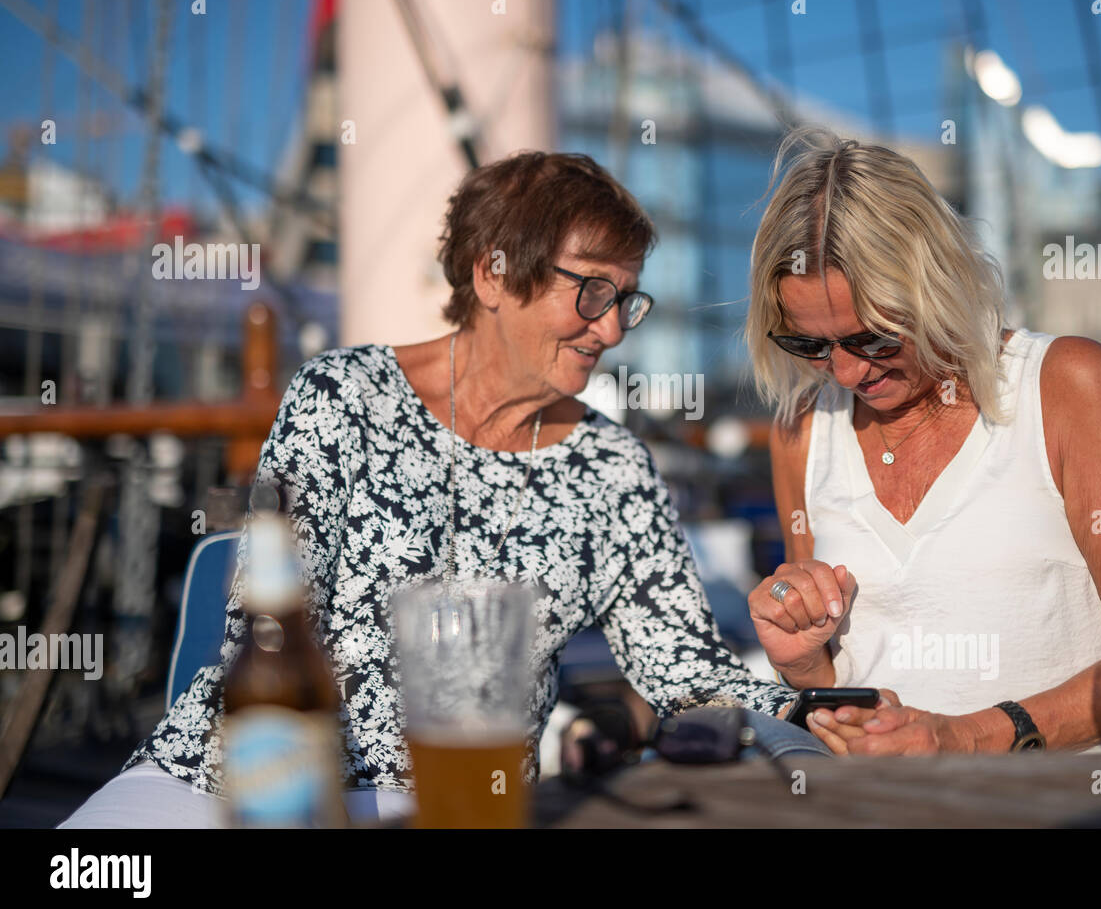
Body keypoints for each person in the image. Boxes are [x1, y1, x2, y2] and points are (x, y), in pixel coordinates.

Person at [62, 151, 821, 828]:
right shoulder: (346, 395)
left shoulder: (613, 469)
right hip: (232, 771)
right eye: (592, 291)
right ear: (492, 273)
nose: (614, 328)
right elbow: (266, 625)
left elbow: (689, 672)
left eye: (627, 299)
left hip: (455, 801)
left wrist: (805, 707)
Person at [743, 127, 1101, 756]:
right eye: (809, 345)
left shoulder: (1064, 383)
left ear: (935, 287)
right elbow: (849, 678)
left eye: (874, 338)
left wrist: (963, 739)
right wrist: (806, 667)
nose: (845, 373)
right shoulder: (803, 431)